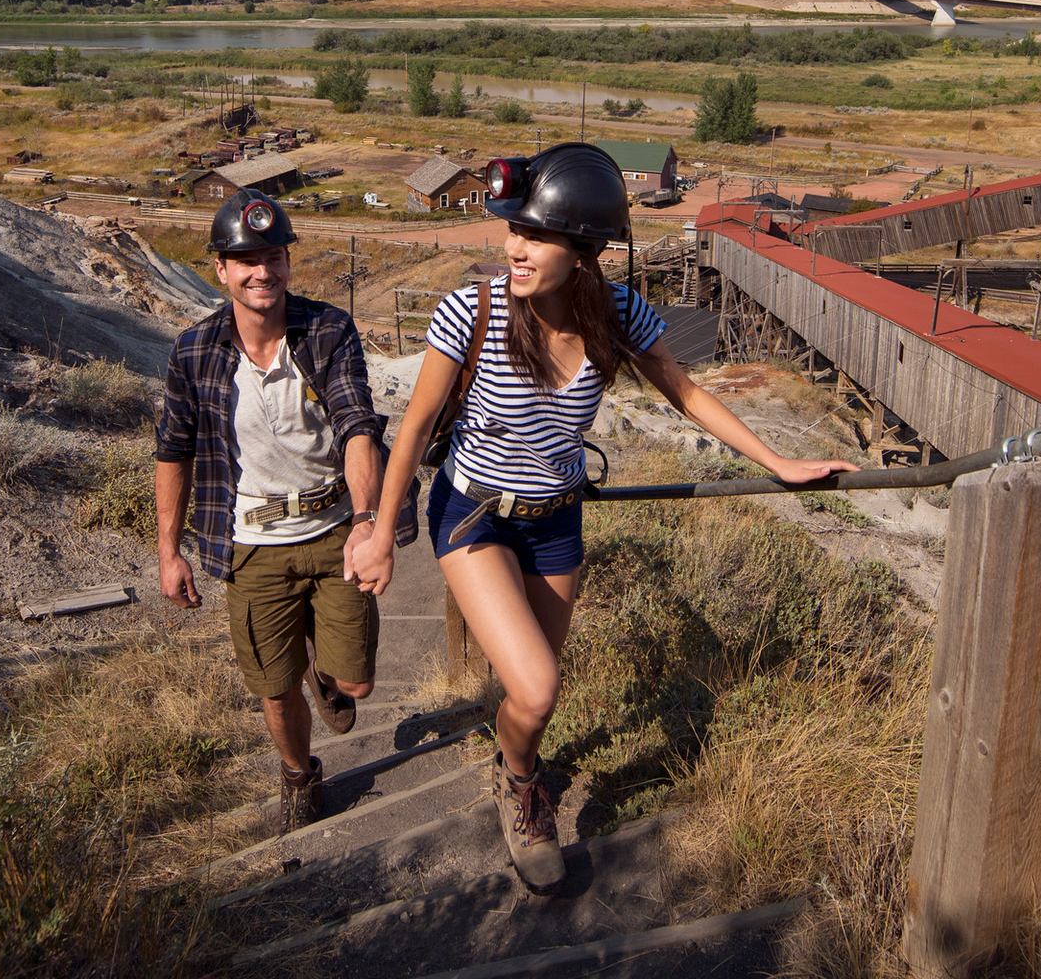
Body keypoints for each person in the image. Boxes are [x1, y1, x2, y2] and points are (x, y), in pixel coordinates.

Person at [348, 143, 856, 889]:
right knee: (539, 685)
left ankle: (517, 761)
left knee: (538, 692)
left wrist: (776, 463)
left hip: (557, 519)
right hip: (474, 514)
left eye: (535, 236)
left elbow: (685, 392)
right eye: (512, 232)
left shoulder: (619, 314)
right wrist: (386, 534)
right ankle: (522, 787)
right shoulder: (474, 310)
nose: (515, 249)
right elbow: (419, 425)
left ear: (583, 250)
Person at [154, 188, 407, 832]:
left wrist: (367, 522)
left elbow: (357, 426)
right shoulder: (194, 351)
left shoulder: (327, 330)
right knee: (274, 687)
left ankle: (329, 669)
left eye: (273, 256)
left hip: (331, 529)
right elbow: (173, 452)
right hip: (251, 541)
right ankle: (300, 776)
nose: (262, 271)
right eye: (246, 259)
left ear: (288, 263)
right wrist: (169, 552)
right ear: (221, 269)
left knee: (357, 688)